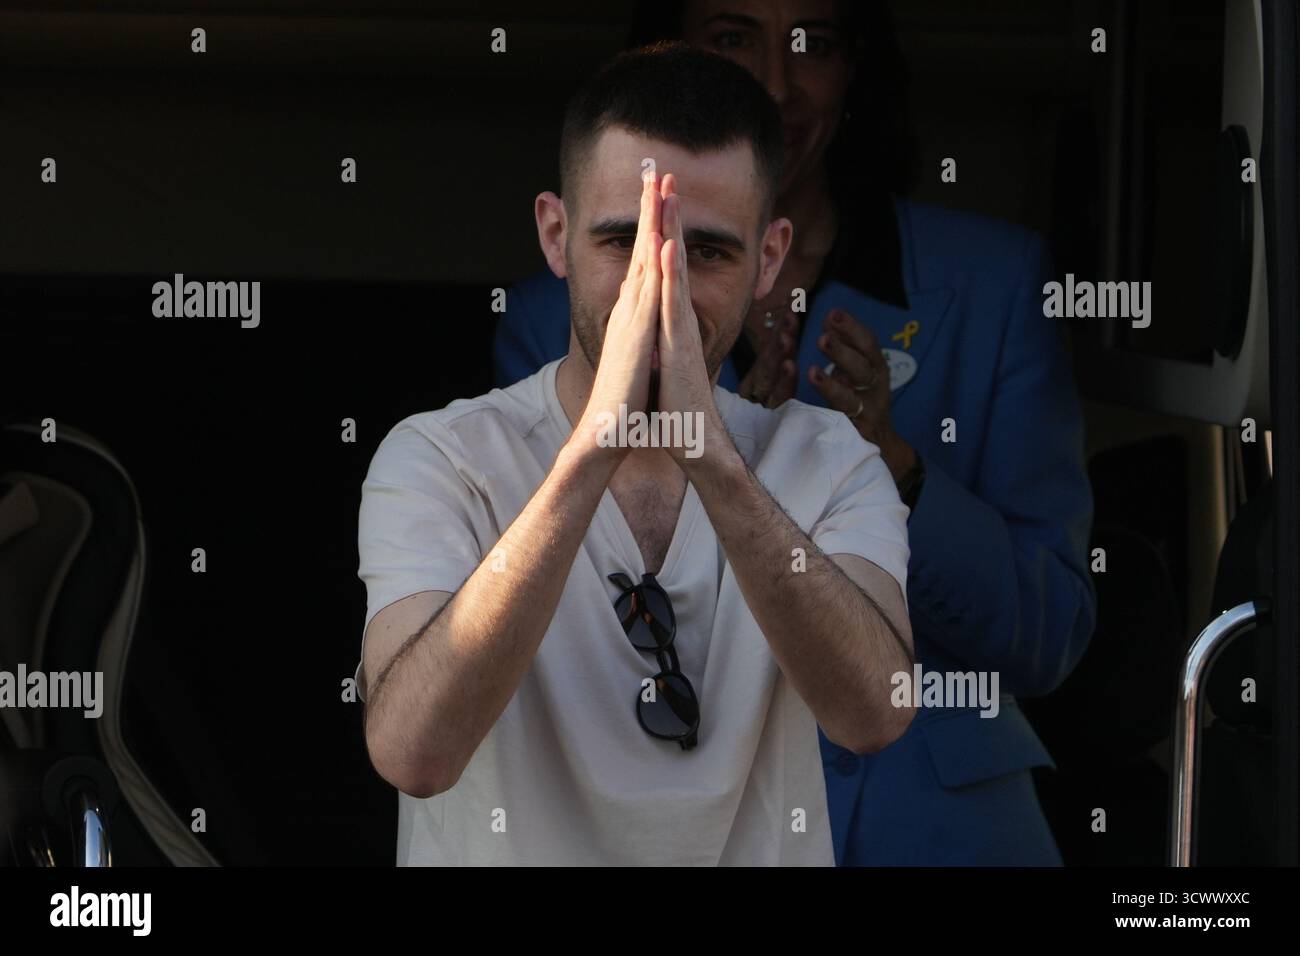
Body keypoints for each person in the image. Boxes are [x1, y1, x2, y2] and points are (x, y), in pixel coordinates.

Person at [493, 0, 1098, 865]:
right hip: (676, 817)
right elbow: (539, 623)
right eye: (733, 38)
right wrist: (720, 465)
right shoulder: (557, 314)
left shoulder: (996, 283)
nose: (776, 83)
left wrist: (898, 473)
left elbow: (1052, 634)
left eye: (811, 43)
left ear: (858, 71)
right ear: (665, 62)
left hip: (930, 827)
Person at [356, 43, 915, 866]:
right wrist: (589, 456)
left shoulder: (830, 459)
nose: (662, 288)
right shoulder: (442, 457)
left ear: (770, 258)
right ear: (556, 236)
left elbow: (876, 714)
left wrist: (712, 457)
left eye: (710, 252)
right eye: (624, 242)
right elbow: (413, 754)